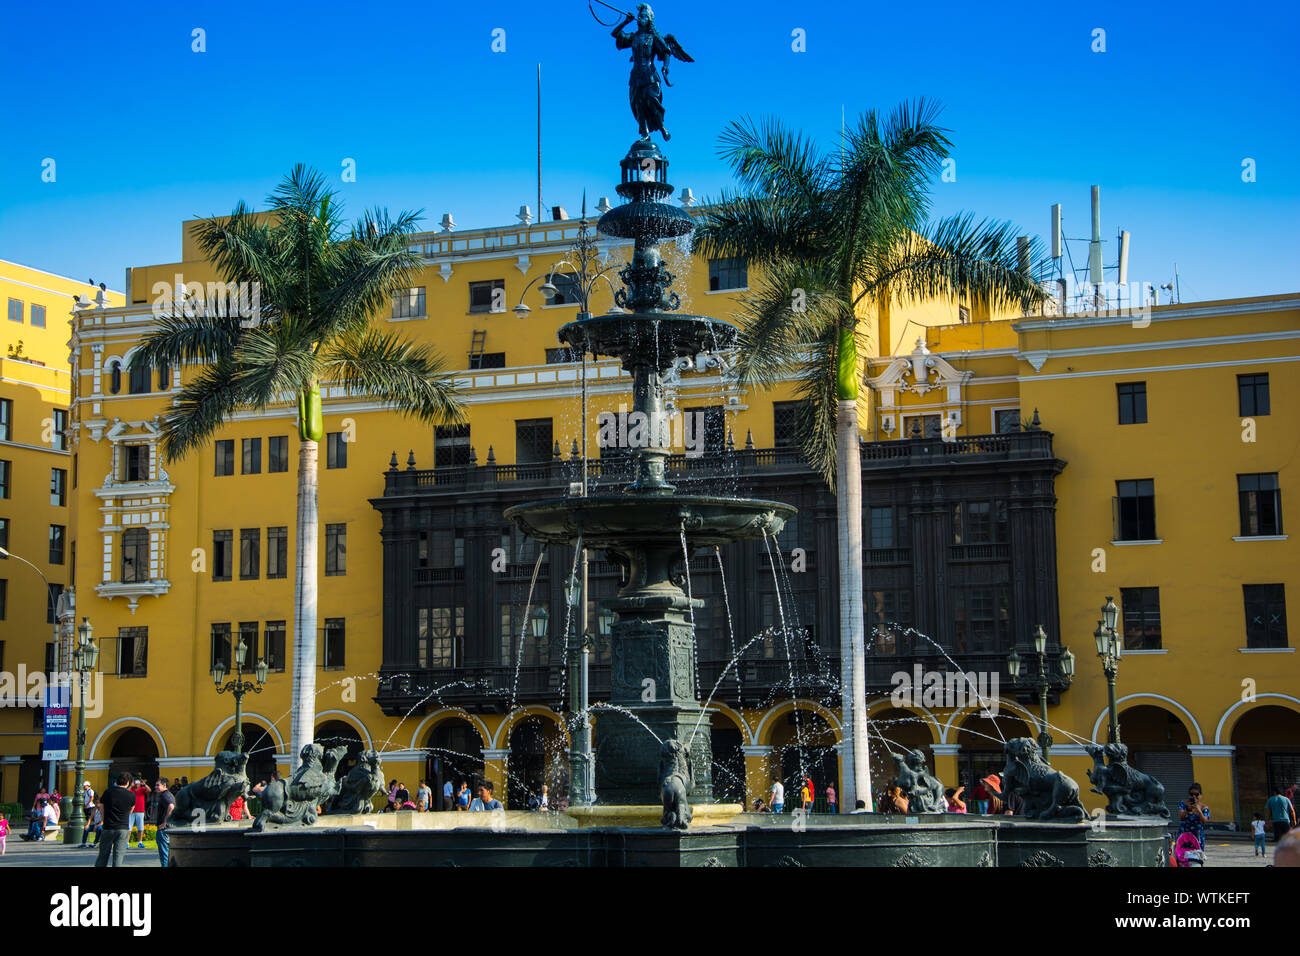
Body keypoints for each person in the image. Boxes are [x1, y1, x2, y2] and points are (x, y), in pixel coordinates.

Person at [96, 772, 136, 867]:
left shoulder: (108, 792)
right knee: (118, 856)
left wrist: (103, 819)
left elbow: (101, 807)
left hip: (108, 827)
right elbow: (131, 810)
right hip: (123, 827)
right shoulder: (131, 795)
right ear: (127, 783)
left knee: (103, 855)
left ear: (116, 781)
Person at [1177, 783, 1210, 857]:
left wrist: (1199, 810)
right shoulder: (1183, 804)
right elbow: (1181, 817)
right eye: (1191, 794)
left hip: (1197, 838)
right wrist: (1187, 809)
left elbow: (1204, 821)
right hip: (1184, 837)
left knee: (1197, 859)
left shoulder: (1204, 807)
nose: (1194, 796)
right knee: (1182, 857)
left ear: (1201, 795)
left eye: (1196, 794)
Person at [153, 777, 175, 867]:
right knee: (168, 853)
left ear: (164, 785)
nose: (156, 787)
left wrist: (165, 822)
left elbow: (171, 807)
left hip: (164, 829)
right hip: (168, 828)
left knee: (164, 854)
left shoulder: (165, 795)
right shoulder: (168, 795)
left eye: (158, 785)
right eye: (156, 785)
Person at [129, 777, 149, 848]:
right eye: (136, 784)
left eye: (138, 784)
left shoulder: (142, 789)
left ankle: (140, 842)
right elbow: (126, 791)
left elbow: (149, 790)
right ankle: (126, 842)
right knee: (129, 827)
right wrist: (131, 786)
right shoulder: (131, 789)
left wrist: (144, 784)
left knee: (140, 827)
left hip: (140, 810)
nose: (137, 785)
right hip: (131, 811)